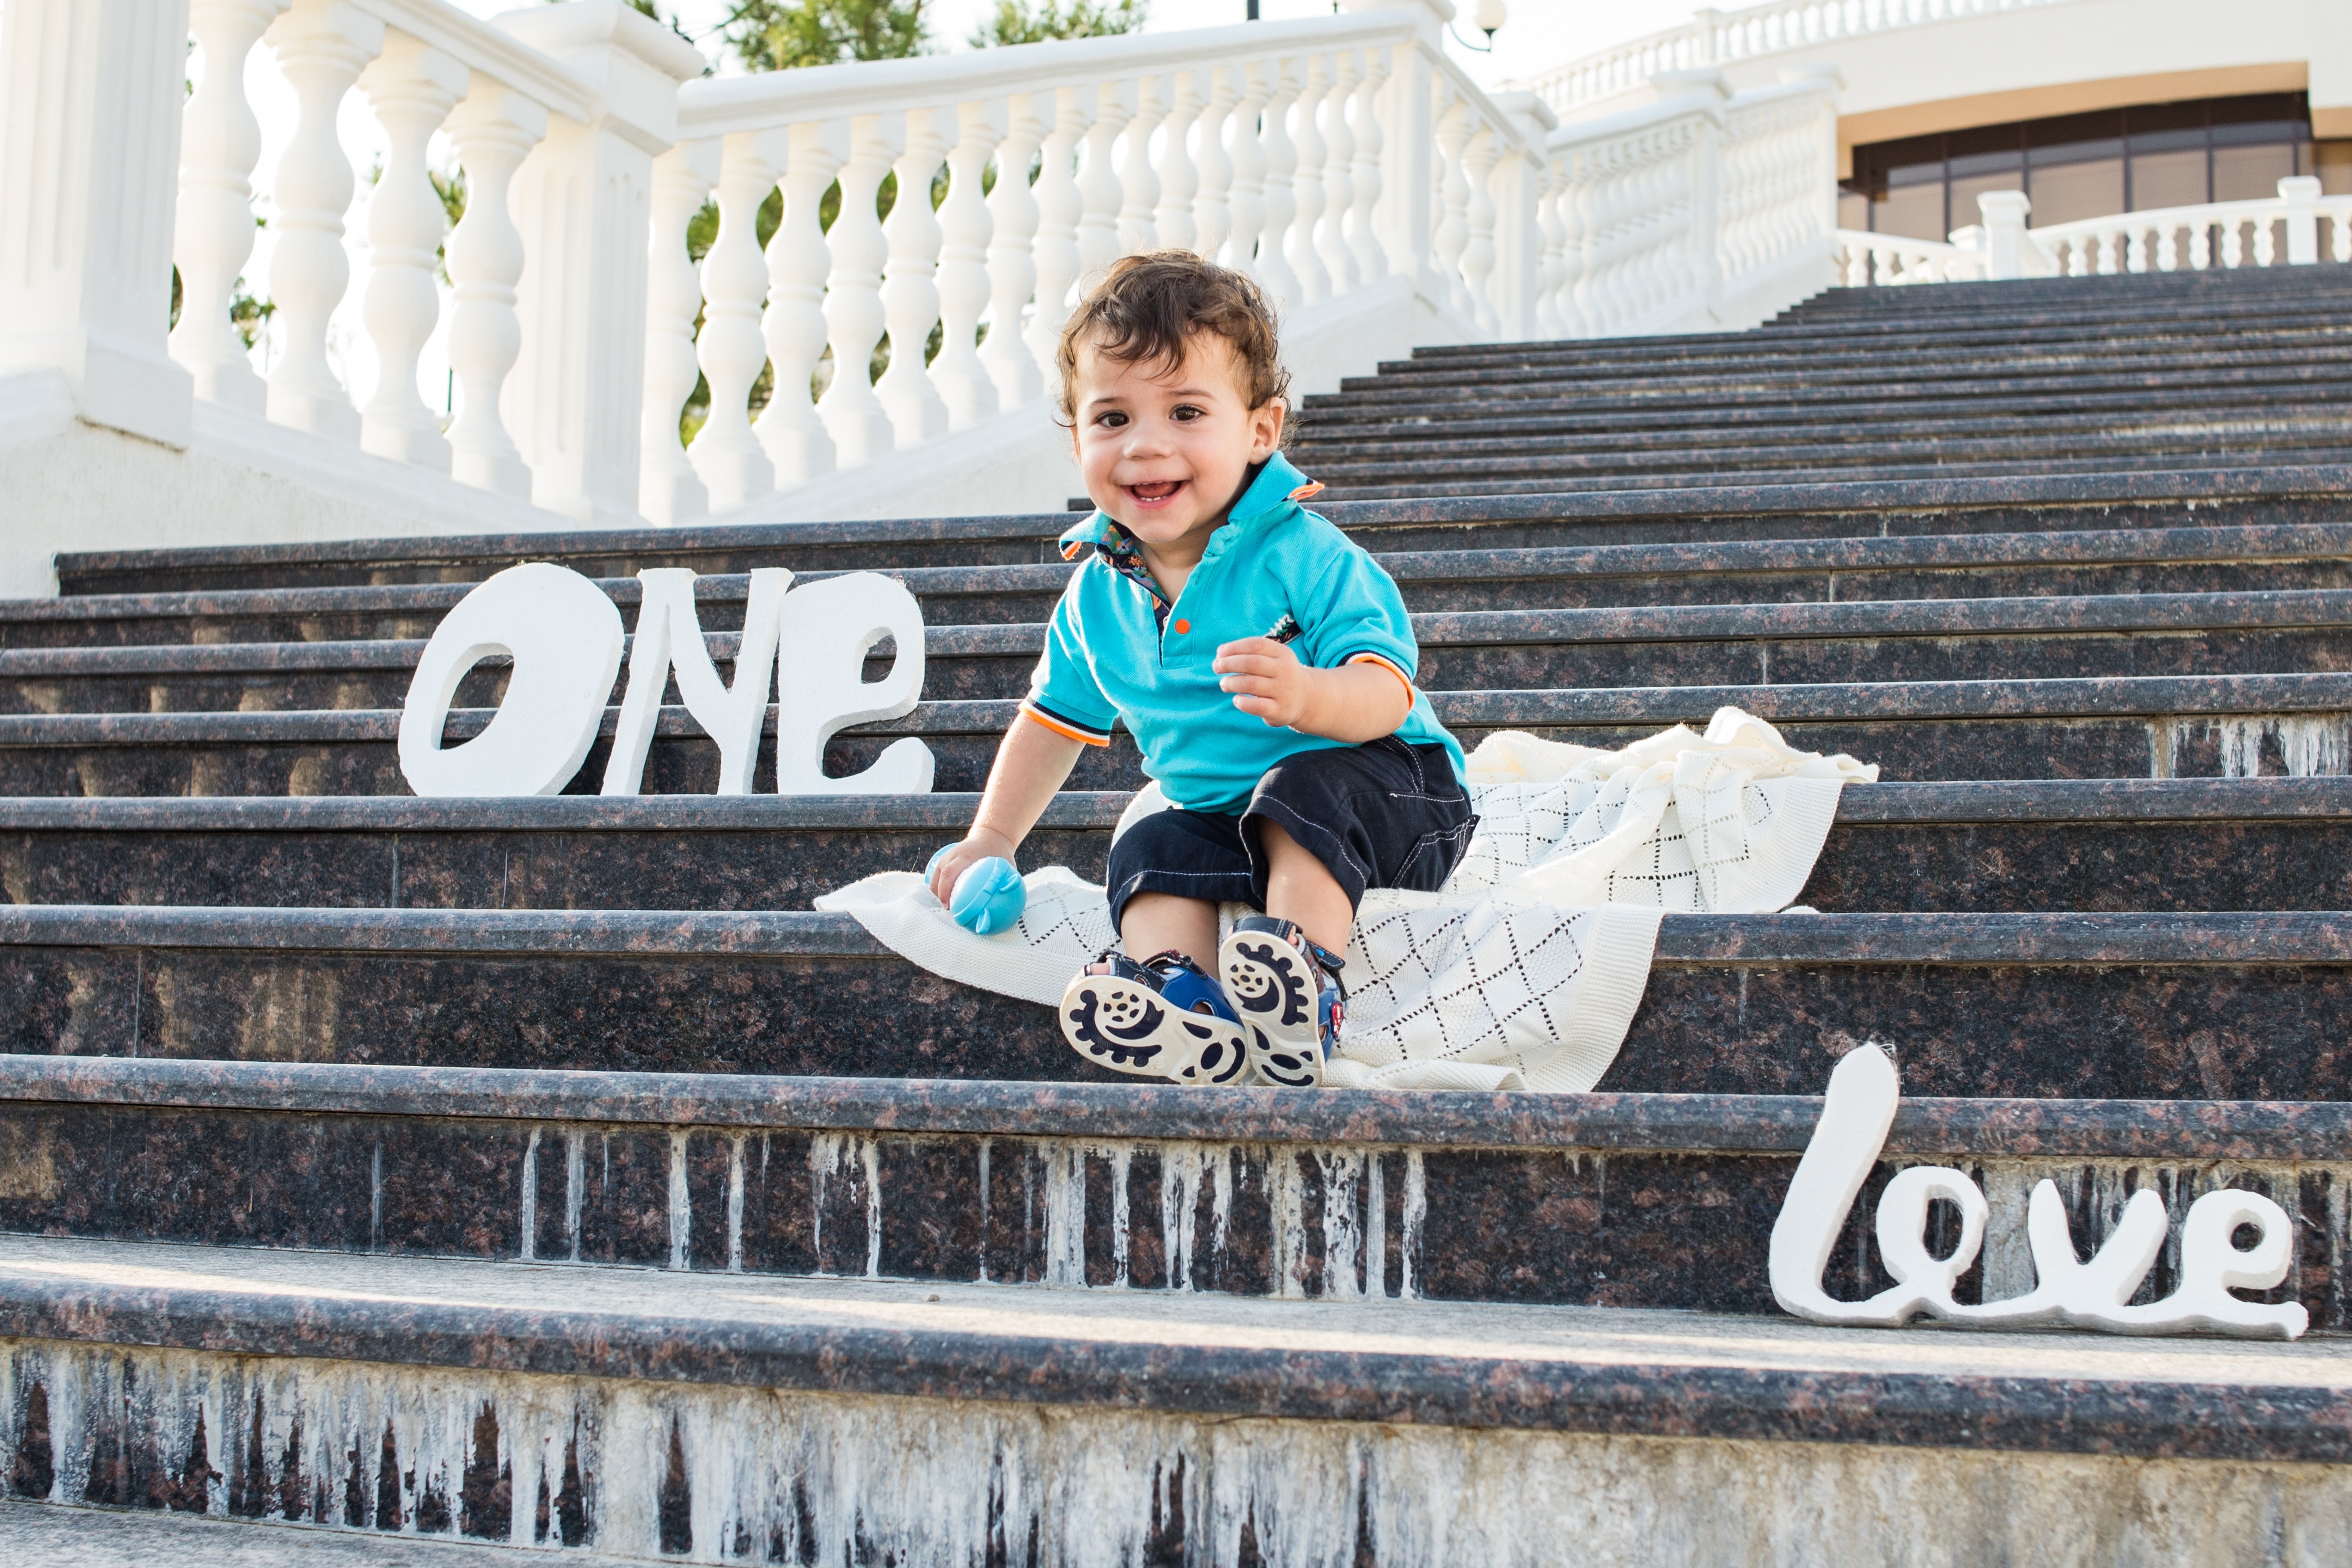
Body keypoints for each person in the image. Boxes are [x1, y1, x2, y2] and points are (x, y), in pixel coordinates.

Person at [926, 252, 1474, 1088]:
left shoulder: (1304, 554)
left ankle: (1305, 985)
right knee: (1149, 840)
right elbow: (1050, 722)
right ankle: (1184, 1000)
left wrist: (1310, 693)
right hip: (1226, 817)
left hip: (1394, 793)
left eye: (1185, 411)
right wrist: (990, 838)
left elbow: (1387, 687)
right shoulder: (1094, 596)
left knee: (1300, 791)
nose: (1146, 445)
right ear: (1076, 437)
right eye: (1111, 419)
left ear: (1260, 430)